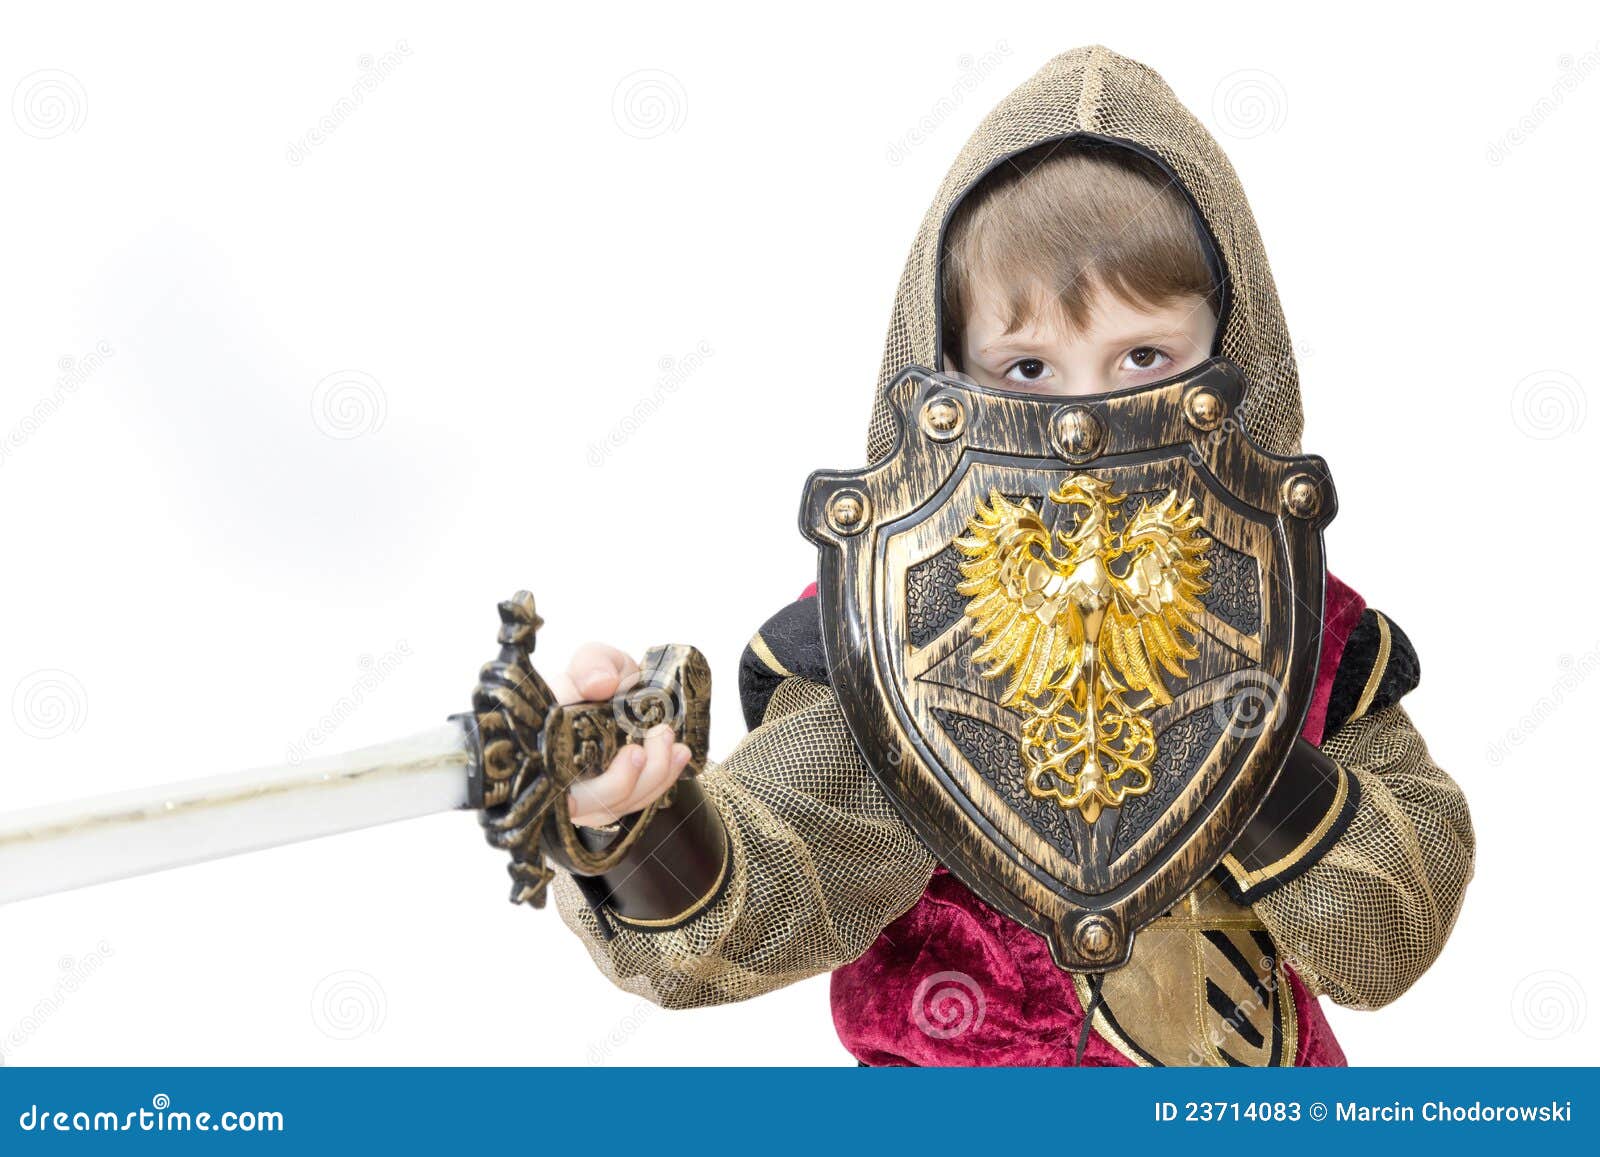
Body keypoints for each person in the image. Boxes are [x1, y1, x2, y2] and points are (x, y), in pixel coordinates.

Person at [515, 45, 1476, 1066]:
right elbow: (775, 879)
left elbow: (1389, 934)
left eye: (1142, 356)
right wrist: (637, 827)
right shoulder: (891, 625)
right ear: (945, 372)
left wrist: (1239, 738)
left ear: (1229, 354)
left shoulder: (1312, 629)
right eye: (1026, 366)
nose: (1085, 412)